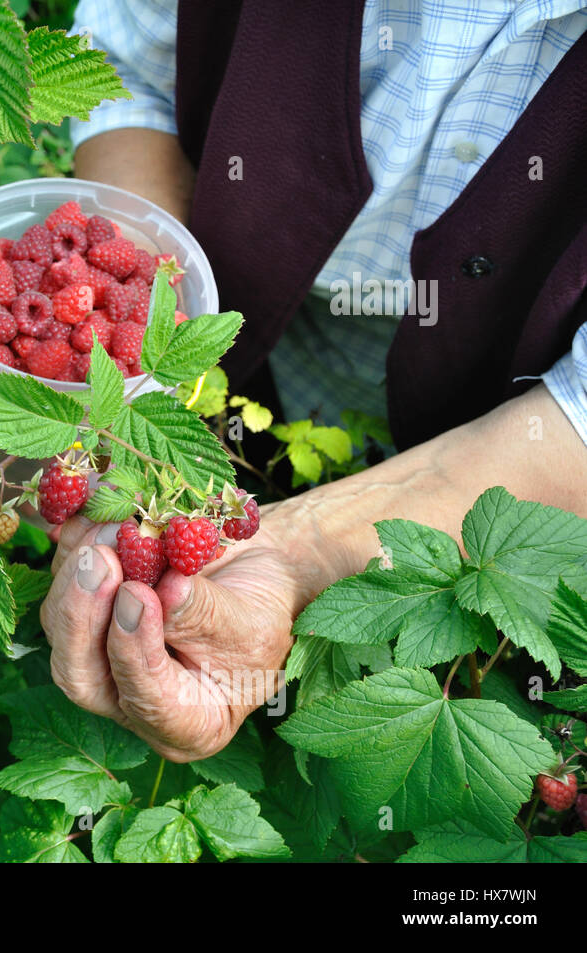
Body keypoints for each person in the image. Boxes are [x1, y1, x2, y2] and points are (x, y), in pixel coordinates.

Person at [40, 0, 587, 761]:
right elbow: (122, 67)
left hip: (522, 406)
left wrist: (299, 552)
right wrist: (129, 363)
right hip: (230, 292)